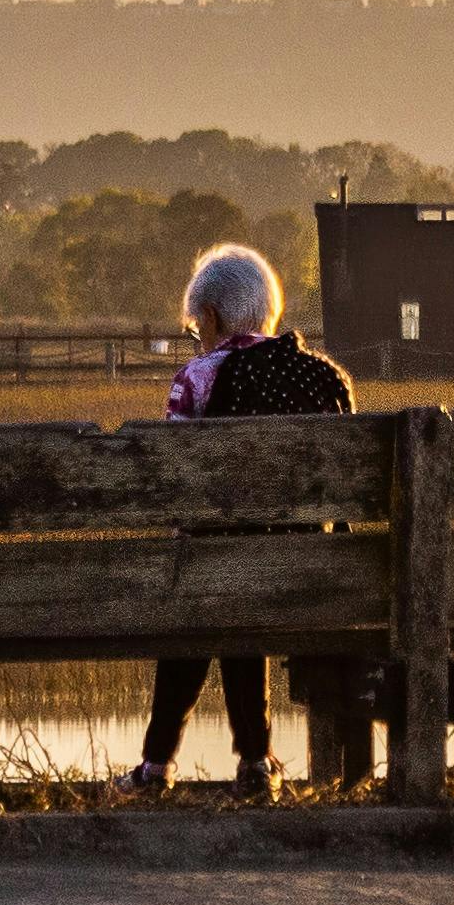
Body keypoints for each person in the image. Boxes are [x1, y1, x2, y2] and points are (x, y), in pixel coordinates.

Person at [131, 243, 351, 798]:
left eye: (194, 327)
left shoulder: (199, 378)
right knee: (237, 578)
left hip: (217, 578)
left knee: (214, 582)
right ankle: (255, 760)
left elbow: (171, 490)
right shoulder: (326, 378)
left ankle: (158, 766)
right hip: (316, 580)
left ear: (209, 317)